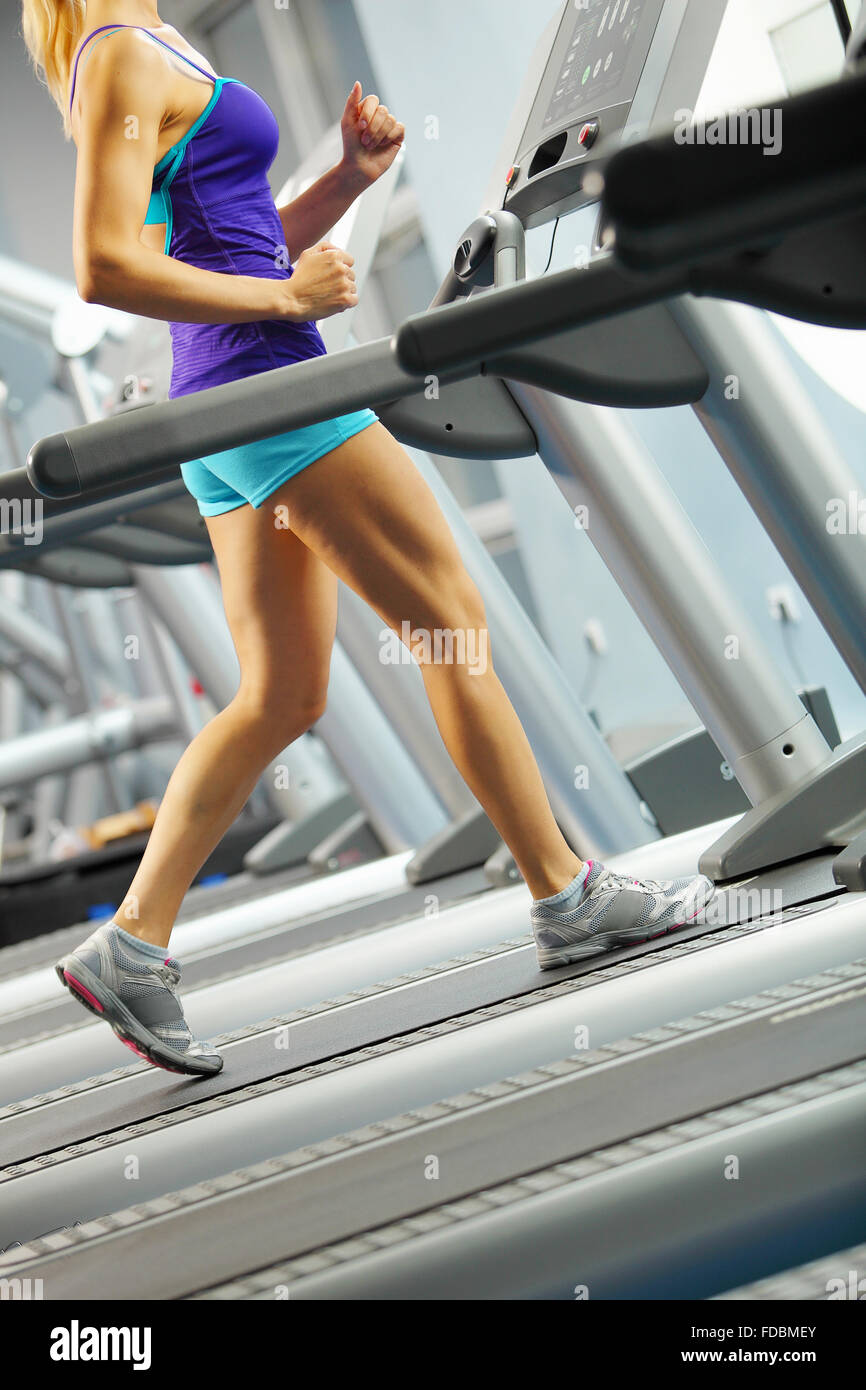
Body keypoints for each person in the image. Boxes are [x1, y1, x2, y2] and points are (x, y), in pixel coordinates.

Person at [22, 0, 714, 1077]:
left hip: (234, 399)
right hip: (269, 390)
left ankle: (133, 946)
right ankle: (565, 894)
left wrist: (345, 177)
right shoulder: (117, 52)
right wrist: (279, 295)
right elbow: (106, 266)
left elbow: (236, 236)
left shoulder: (148, 42)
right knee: (448, 623)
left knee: (280, 695)